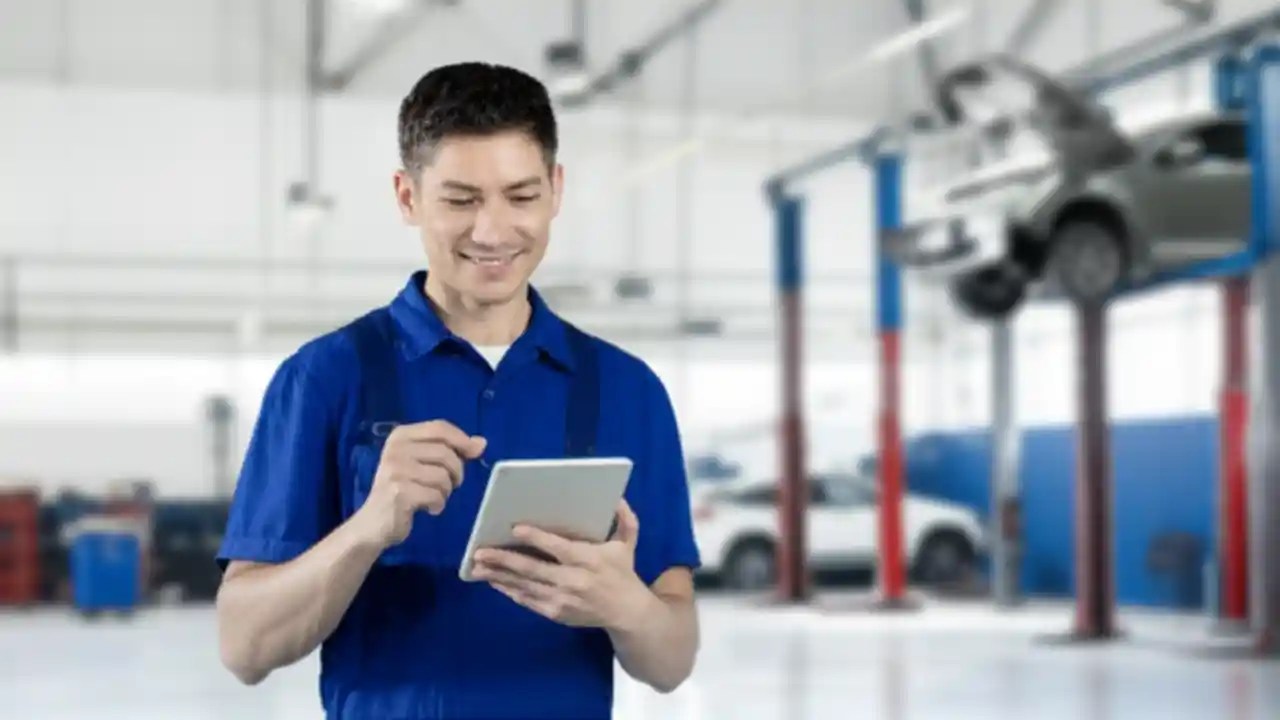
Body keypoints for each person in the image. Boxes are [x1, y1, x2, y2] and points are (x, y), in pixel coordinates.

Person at [214, 62, 702, 718]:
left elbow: (671, 663)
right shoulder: (323, 379)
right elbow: (244, 646)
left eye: (521, 197)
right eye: (461, 199)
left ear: (556, 190)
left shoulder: (627, 390)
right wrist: (366, 529)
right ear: (408, 196)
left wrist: (628, 607)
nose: (493, 232)